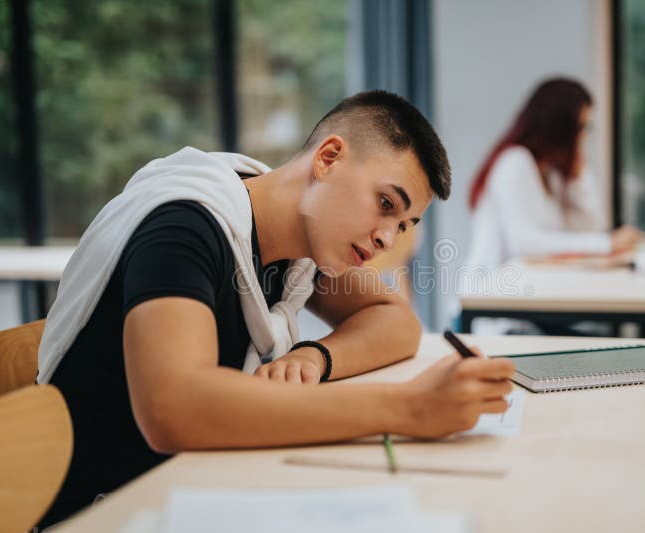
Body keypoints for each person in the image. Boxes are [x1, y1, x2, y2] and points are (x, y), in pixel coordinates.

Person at [36, 91, 513, 527]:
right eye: (385, 203)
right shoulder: (184, 226)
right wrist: (406, 408)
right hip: (103, 510)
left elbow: (395, 320)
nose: (389, 238)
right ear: (328, 158)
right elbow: (173, 408)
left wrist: (314, 357)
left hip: (194, 487)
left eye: (404, 225)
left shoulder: (295, 243)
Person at [465, 78, 640, 271]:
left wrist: (578, 175)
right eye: (581, 128)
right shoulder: (515, 161)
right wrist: (606, 243)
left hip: (525, 288)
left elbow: (589, 227)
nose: (584, 136)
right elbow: (524, 244)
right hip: (489, 292)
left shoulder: (551, 175)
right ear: (558, 128)